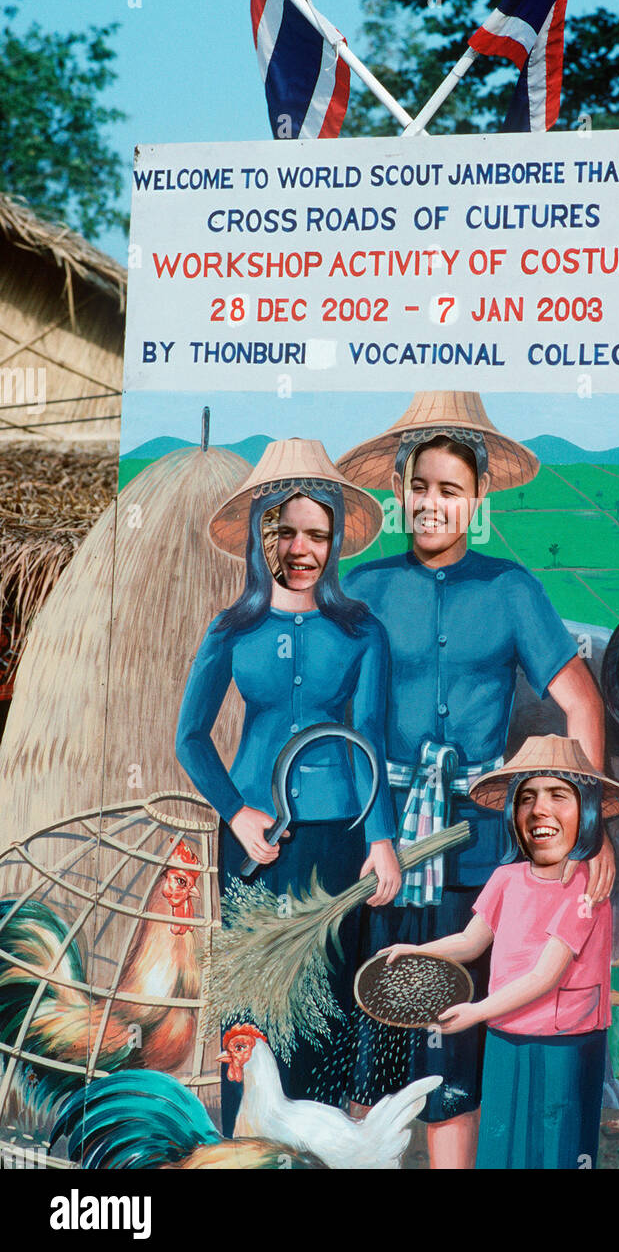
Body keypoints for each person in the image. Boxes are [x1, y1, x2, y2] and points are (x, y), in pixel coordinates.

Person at [337, 391, 618, 1169]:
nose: (432, 503)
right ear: (400, 491)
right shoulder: (361, 588)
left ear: (477, 499)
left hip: (474, 847)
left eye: (449, 490)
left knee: (452, 1048)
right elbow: (342, 722)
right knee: (376, 1030)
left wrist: (587, 831)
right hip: (382, 843)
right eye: (419, 487)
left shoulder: (510, 588)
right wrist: (377, 836)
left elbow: (580, 704)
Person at [175, 439, 401, 1126]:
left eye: (317, 534)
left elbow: (371, 742)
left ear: (334, 544)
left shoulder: (363, 632)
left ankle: (318, 1142)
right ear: (259, 535)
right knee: (250, 991)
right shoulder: (230, 630)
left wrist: (383, 838)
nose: (301, 547)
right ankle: (246, 1139)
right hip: (252, 842)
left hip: (339, 837)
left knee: (325, 991)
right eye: (285, 531)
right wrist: (236, 812)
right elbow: (190, 738)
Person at [385, 736, 619, 1170]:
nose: (540, 810)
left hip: (566, 1044)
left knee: (556, 1149)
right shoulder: (505, 878)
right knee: (503, 1149)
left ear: (587, 811)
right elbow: (471, 941)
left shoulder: (585, 890)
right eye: (527, 798)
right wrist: (418, 952)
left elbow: (545, 976)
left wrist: (476, 1011)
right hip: (505, 1036)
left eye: (559, 796)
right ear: (514, 814)